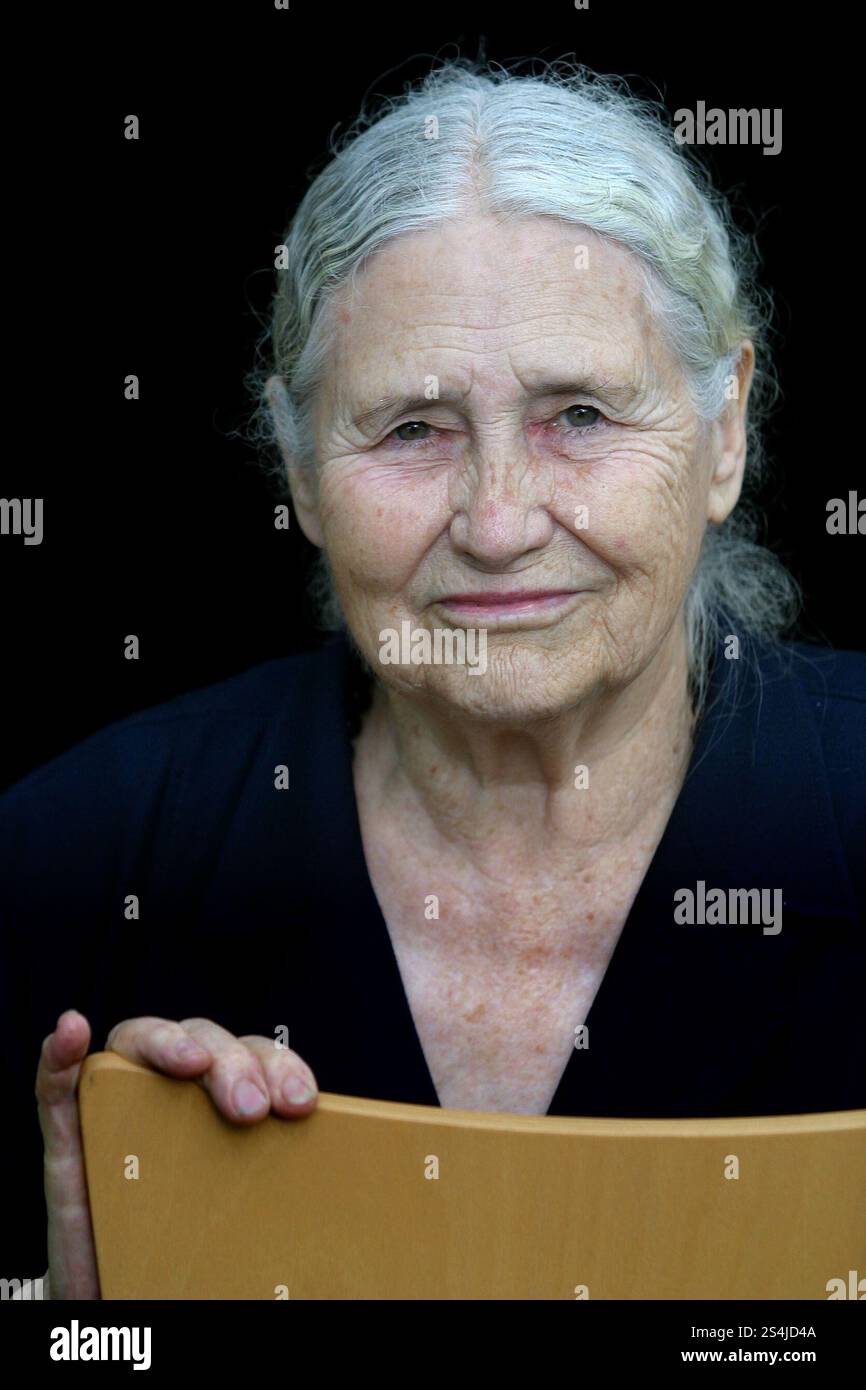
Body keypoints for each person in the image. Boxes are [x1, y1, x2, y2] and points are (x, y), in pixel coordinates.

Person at [2, 59, 863, 1300]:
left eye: (578, 415)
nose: (498, 524)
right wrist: (87, 1330)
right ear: (299, 471)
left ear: (722, 430)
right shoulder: (69, 864)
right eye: (411, 429)